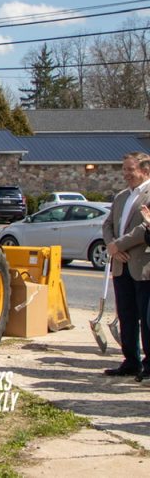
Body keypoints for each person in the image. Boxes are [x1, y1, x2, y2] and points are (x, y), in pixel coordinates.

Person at [103, 152, 150, 379]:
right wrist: (113, 245)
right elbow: (108, 224)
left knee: (146, 317)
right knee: (126, 315)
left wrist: (119, 245)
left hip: (142, 267)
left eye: (130, 170)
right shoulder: (122, 196)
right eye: (124, 170)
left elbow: (144, 230)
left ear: (145, 171)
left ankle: (148, 364)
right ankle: (131, 360)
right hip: (121, 266)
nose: (126, 174)